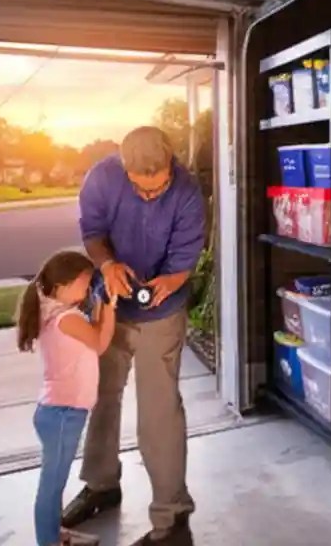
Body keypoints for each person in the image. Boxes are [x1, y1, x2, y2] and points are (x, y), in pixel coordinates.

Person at [63, 126, 206, 545]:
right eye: (141, 189)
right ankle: (101, 486)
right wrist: (107, 266)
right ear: (124, 169)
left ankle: (172, 521)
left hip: (163, 312)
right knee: (102, 395)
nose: (149, 196)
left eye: (157, 188)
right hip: (110, 305)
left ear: (170, 167)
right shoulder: (102, 177)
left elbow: (185, 258)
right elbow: (92, 232)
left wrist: (170, 280)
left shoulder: (186, 192)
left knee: (159, 413)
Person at [17, 249, 117, 546]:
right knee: (51, 486)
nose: (87, 291)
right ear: (63, 283)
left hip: (57, 412)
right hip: (63, 414)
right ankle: (49, 542)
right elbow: (99, 342)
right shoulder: (67, 318)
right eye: (85, 285)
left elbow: (93, 331)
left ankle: (55, 535)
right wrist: (109, 305)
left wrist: (100, 303)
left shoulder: (56, 313)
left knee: (54, 483)